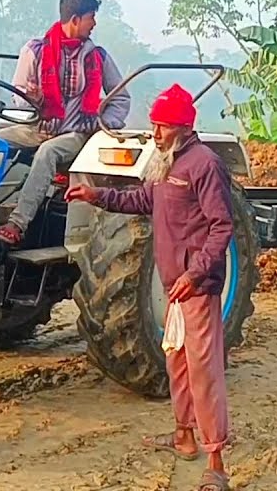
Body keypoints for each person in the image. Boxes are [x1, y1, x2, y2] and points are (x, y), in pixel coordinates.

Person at [64, 83, 233, 491]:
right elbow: (142, 201)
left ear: (182, 127)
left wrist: (196, 275)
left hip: (196, 286)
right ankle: (183, 436)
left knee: (204, 371)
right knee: (176, 362)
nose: (154, 133)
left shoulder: (204, 165)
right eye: (154, 124)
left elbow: (222, 226)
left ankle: (217, 463)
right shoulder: (166, 163)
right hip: (174, 283)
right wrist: (96, 194)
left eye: (161, 126)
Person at [0, 0, 130, 246]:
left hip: (76, 132)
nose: (94, 24)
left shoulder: (97, 57)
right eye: (91, 17)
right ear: (75, 20)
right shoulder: (35, 51)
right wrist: (33, 98)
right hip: (37, 126)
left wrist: (104, 124)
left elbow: (120, 98)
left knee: (48, 152)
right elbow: (18, 97)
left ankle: (17, 223)